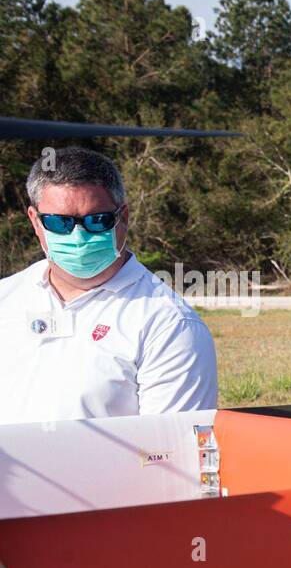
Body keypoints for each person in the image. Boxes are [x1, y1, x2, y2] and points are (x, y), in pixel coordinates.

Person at [0, 147, 216, 425]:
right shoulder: (6, 298)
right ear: (35, 221)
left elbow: (171, 451)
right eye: (59, 222)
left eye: (96, 221)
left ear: (122, 218)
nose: (78, 235)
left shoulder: (170, 325)